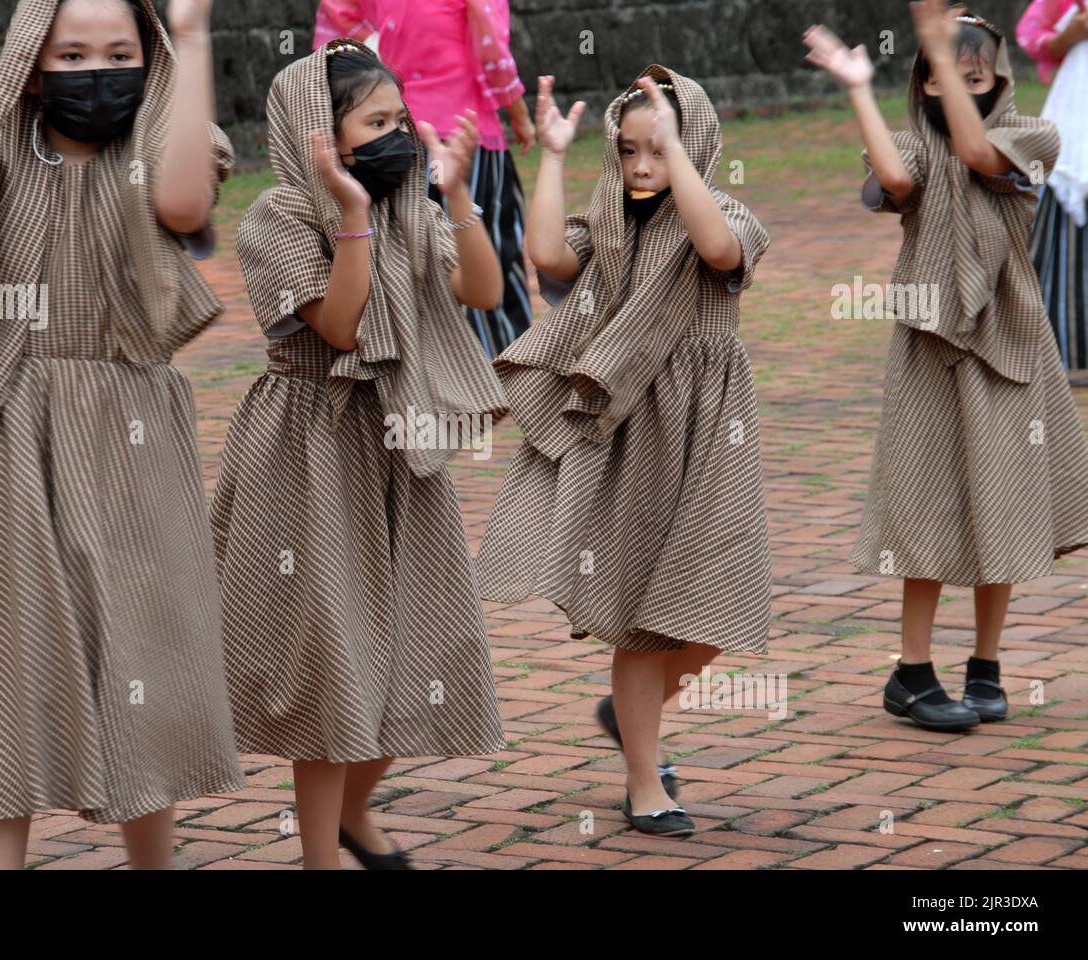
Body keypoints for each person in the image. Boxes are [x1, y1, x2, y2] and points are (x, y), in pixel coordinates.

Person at [0, 0, 247, 868]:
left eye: (118, 52)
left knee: (149, 648)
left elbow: (182, 202)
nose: (95, 71)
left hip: (129, 425)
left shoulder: (164, 146)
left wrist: (198, 31)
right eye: (70, 54)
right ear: (29, 62)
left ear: (151, 58)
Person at [210, 39, 507, 870]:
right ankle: (320, 858)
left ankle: (351, 815)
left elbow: (482, 292)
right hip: (312, 451)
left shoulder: (410, 206)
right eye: (374, 122)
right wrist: (350, 218)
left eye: (400, 119)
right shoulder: (276, 218)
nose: (396, 136)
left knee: (420, 643)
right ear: (317, 134)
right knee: (332, 660)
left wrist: (457, 197)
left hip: (399, 446)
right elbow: (340, 329)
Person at [475, 67, 773, 837]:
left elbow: (715, 250)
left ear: (693, 147)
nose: (643, 167)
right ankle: (646, 780)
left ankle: (630, 712)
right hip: (632, 424)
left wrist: (681, 162)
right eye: (630, 151)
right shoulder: (609, 220)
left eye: (660, 151)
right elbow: (546, 255)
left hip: (707, 427)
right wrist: (551, 154)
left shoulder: (729, 212)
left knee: (713, 608)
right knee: (642, 618)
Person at [805, 2, 1088, 733]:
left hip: (1014, 342)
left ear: (1000, 79)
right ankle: (912, 672)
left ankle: (987, 667)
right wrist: (859, 87)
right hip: (929, 345)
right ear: (924, 85)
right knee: (923, 501)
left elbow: (979, 154)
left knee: (1007, 501)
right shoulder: (918, 145)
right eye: (950, 72)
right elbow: (897, 180)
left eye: (982, 69)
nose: (971, 77)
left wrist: (939, 45)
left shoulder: (1034, 135)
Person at [313, 0, 536, 358]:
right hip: (465, 131)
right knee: (490, 241)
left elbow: (336, 15)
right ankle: (503, 356)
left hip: (396, 135)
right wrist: (519, 112)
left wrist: (372, 78)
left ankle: (429, 354)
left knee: (416, 251)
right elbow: (491, 44)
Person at [1018, 0, 1088, 369]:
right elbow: (1030, 37)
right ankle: (1064, 345)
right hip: (1076, 114)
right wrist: (1072, 33)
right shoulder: (1062, 3)